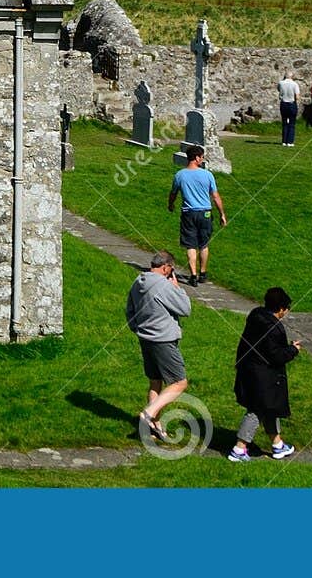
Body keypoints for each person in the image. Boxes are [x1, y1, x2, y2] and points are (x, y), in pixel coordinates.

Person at [126, 250, 193, 443]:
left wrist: (138, 329)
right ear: (166, 267)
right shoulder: (163, 285)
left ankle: (155, 426)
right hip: (163, 340)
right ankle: (148, 414)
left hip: (145, 338)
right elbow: (185, 308)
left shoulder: (138, 282)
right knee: (180, 382)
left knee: (155, 381)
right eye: (171, 269)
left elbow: (129, 310)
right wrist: (177, 288)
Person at [228, 286, 302, 462]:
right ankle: (239, 448)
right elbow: (276, 355)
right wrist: (293, 350)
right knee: (257, 410)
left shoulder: (256, 315)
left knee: (269, 408)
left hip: (249, 369)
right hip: (264, 376)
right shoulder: (273, 328)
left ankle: (277, 445)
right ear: (281, 308)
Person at [168, 144, 227, 285]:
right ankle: (203, 273)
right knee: (204, 244)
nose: (202, 159)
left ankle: (193, 275)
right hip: (205, 213)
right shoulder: (207, 175)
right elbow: (215, 196)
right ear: (196, 158)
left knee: (190, 245)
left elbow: (173, 193)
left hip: (189, 213)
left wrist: (170, 204)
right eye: (201, 157)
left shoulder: (180, 175)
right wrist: (222, 214)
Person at [277, 72, 301, 146]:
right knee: (292, 123)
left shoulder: (281, 83)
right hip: (291, 103)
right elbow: (297, 96)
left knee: (284, 122)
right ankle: (290, 141)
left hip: (283, 103)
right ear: (292, 77)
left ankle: (284, 141)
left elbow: (279, 90)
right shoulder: (294, 84)